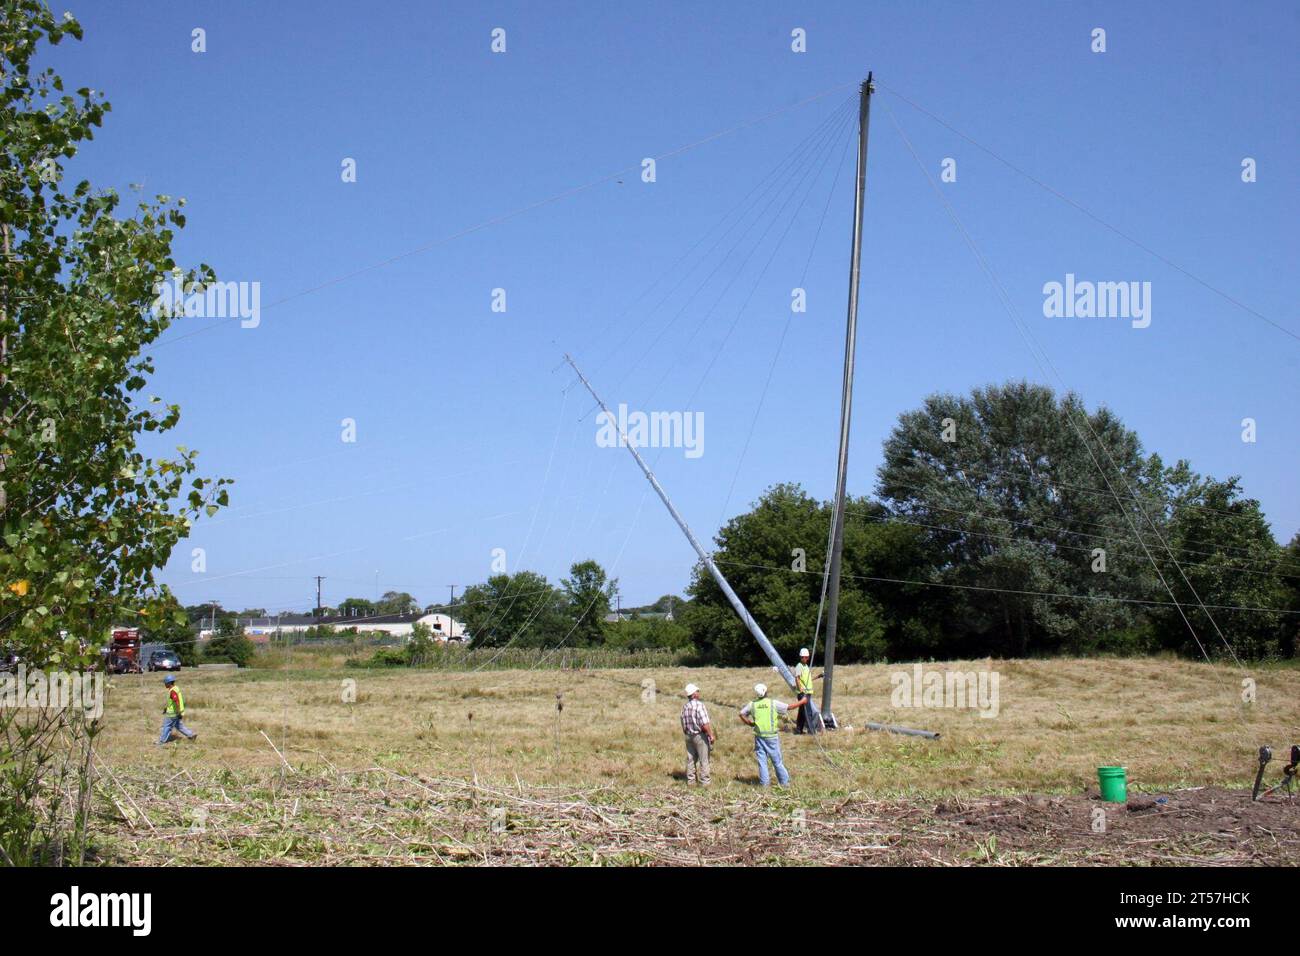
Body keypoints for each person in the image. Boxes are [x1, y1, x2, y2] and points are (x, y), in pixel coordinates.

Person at [739, 683, 805, 787]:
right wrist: (802, 701)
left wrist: (749, 723)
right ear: (765, 692)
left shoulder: (752, 704)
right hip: (772, 737)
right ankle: (784, 783)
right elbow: (790, 707)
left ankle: (764, 784)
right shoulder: (773, 703)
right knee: (777, 762)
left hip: (759, 737)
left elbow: (741, 713)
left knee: (762, 762)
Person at [679, 683, 715, 786]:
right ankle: (705, 782)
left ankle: (691, 781)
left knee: (691, 759)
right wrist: (710, 735)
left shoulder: (685, 707)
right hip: (699, 736)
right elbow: (704, 723)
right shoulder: (699, 705)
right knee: (704, 760)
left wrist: (686, 732)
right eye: (697, 691)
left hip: (688, 735)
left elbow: (682, 721)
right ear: (694, 694)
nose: (698, 693)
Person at [157, 674, 197, 745]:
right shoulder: (176, 688)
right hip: (176, 712)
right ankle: (191, 735)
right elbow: (173, 703)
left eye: (165, 683)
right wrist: (167, 709)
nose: (165, 684)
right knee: (179, 726)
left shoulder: (173, 691)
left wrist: (178, 712)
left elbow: (177, 701)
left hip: (172, 714)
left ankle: (161, 741)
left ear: (169, 683)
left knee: (166, 727)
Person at [793, 647, 816, 734]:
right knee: (808, 712)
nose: (806, 659)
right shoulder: (799, 666)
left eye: (807, 657)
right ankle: (812, 732)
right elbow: (797, 679)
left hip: (808, 692)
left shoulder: (806, 666)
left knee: (802, 712)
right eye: (804, 657)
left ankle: (798, 730)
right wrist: (801, 690)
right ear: (801, 657)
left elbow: (806, 679)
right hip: (803, 694)